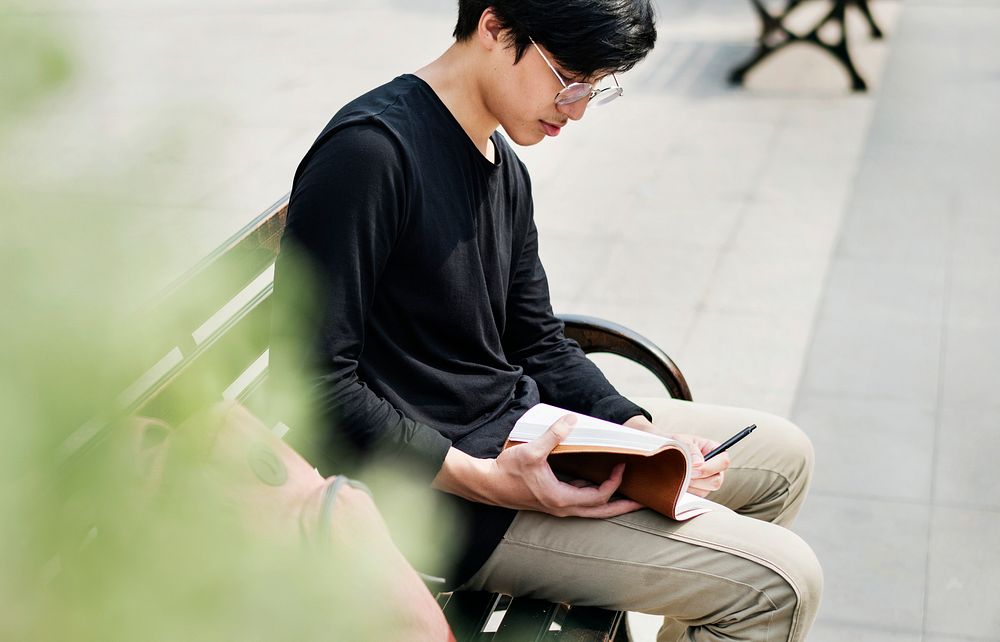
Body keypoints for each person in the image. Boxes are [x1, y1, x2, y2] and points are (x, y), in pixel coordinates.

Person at [271, 1, 822, 640]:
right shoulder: (370, 154)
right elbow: (314, 381)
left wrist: (639, 436)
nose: (578, 109)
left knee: (784, 458)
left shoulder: (502, 166)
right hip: (436, 496)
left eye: (596, 87)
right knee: (780, 584)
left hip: (518, 434)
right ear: (495, 25)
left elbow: (537, 339)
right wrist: (492, 482)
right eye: (569, 80)